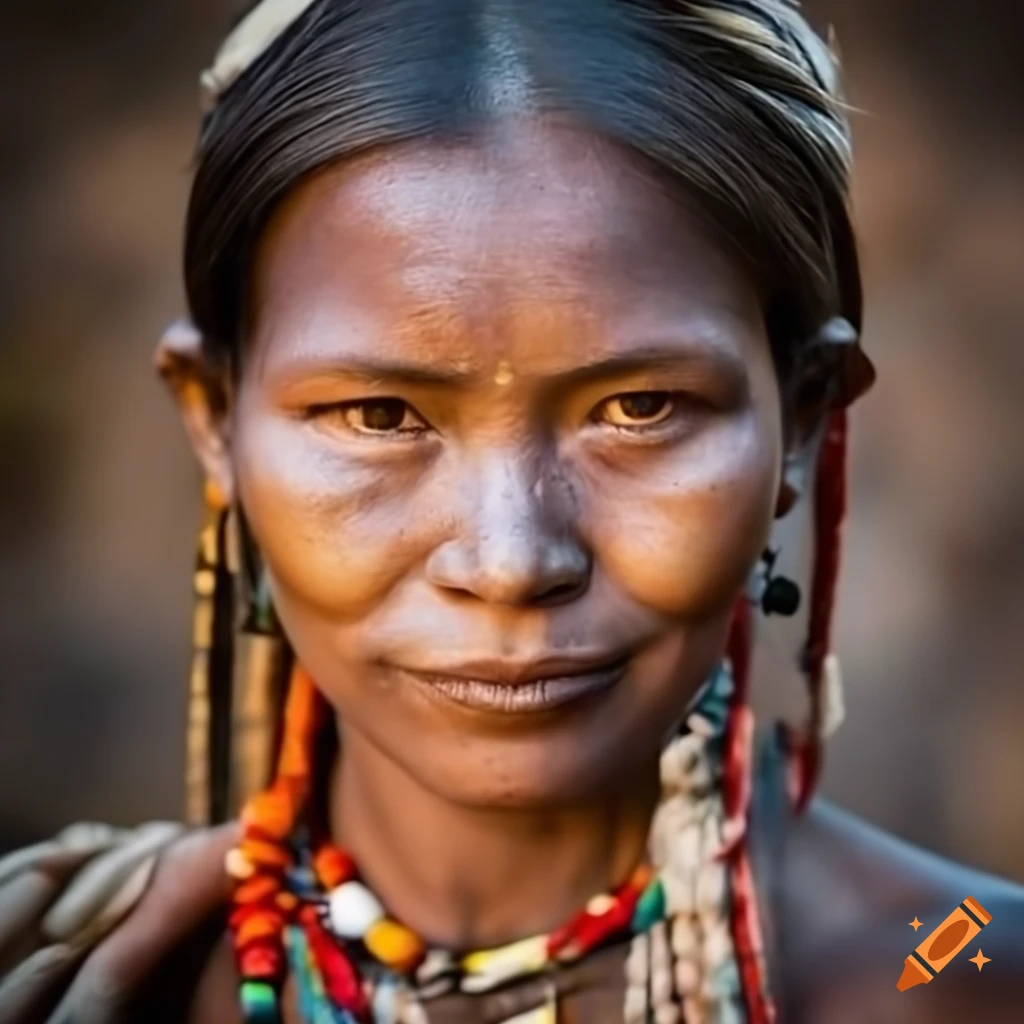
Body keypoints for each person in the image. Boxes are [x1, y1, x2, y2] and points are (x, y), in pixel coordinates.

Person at [1, 1, 1022, 1021]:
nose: (509, 559)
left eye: (640, 408)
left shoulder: (961, 967)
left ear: (801, 417)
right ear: (215, 416)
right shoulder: (51, 967)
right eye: (379, 414)